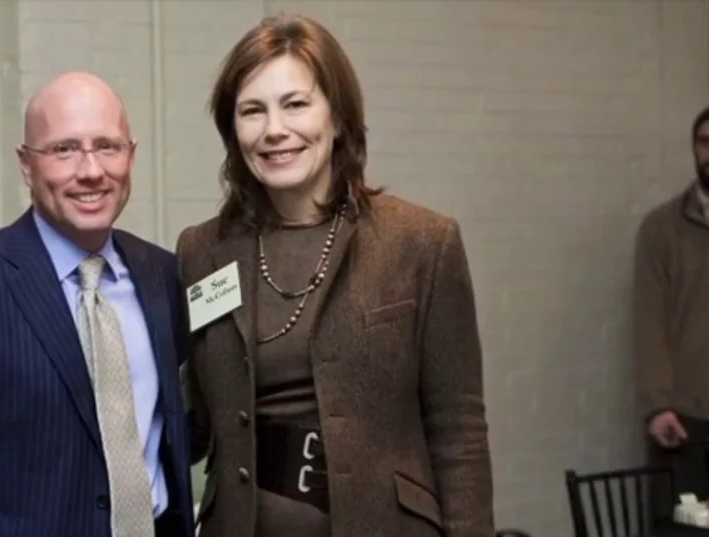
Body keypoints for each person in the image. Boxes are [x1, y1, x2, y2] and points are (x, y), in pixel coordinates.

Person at [175, 13, 495, 537]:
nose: (274, 130)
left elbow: (458, 432)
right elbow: (199, 421)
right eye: (252, 111)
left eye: (296, 104)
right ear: (233, 131)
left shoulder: (420, 242)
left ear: (339, 117)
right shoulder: (203, 251)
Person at [0, 71, 195, 537]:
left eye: (107, 146)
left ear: (132, 155)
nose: (91, 171)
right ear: (27, 165)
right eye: (64, 149)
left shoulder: (165, 277)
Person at [635, 105, 709, 499]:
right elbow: (649, 323)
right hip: (685, 420)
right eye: (704, 142)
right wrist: (657, 405)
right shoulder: (661, 229)